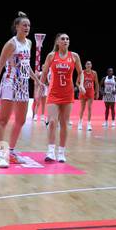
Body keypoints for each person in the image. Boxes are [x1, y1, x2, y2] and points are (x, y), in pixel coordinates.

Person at [0, 12, 35, 168]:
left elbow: (26, 66)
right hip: (10, 83)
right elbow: (0, 65)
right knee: (3, 120)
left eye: (29, 25)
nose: (27, 27)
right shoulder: (11, 44)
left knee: (21, 120)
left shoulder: (29, 43)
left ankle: (11, 153)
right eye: (24, 25)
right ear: (17, 26)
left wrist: (37, 80)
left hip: (23, 85)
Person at [39, 34, 83, 163]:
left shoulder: (74, 56)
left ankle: (61, 152)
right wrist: (40, 87)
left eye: (67, 39)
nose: (65, 40)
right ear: (57, 42)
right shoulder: (51, 56)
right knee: (52, 122)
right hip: (53, 93)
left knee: (64, 123)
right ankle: (50, 151)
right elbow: (44, 73)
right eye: (63, 39)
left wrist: (80, 84)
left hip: (68, 94)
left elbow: (80, 72)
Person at [77, 61, 98, 131]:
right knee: (82, 108)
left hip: (90, 93)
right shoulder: (82, 73)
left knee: (89, 108)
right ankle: (80, 123)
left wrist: (97, 92)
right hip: (83, 93)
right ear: (85, 65)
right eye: (87, 64)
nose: (89, 65)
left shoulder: (94, 73)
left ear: (91, 65)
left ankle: (89, 124)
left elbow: (96, 84)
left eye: (90, 64)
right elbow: (77, 82)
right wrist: (80, 87)